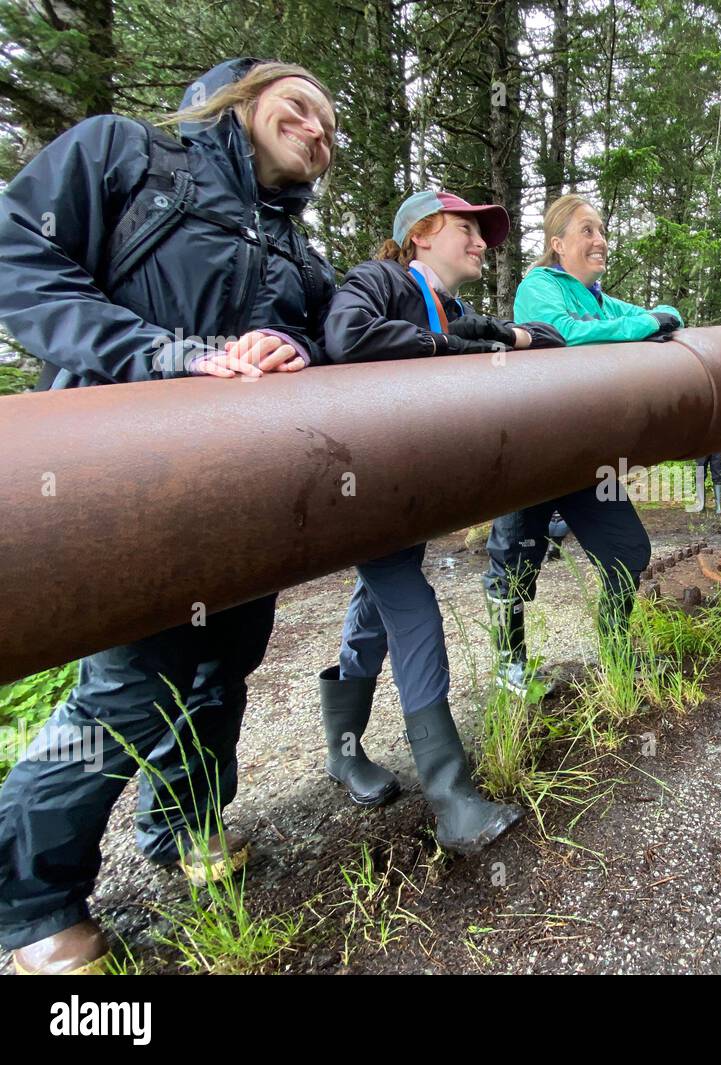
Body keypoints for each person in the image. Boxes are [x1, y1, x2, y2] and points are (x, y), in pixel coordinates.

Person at [0, 59, 337, 974]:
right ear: (238, 96)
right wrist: (161, 351)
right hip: (117, 479)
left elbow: (319, 337)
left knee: (227, 661)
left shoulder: (298, 248)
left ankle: (184, 827)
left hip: (241, 492)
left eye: (330, 128)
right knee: (125, 687)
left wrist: (289, 345)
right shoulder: (124, 154)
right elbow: (18, 254)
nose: (317, 130)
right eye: (299, 105)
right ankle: (30, 900)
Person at [319, 190, 563, 853]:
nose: (482, 243)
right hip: (367, 482)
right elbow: (347, 336)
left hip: (417, 490)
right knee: (412, 608)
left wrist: (499, 333)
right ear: (421, 234)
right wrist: (448, 343)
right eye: (467, 230)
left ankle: (343, 752)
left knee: (374, 607)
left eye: (484, 234)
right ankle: (453, 798)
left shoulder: (455, 307)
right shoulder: (383, 281)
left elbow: (550, 339)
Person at [484, 194, 680, 693]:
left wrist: (655, 318)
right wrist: (641, 326)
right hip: (536, 450)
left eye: (602, 231)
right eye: (587, 231)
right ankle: (511, 671)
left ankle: (616, 655)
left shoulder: (598, 296)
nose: (601, 240)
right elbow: (565, 336)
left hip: (588, 457)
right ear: (557, 244)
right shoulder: (539, 286)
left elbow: (659, 313)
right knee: (514, 560)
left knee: (627, 549)